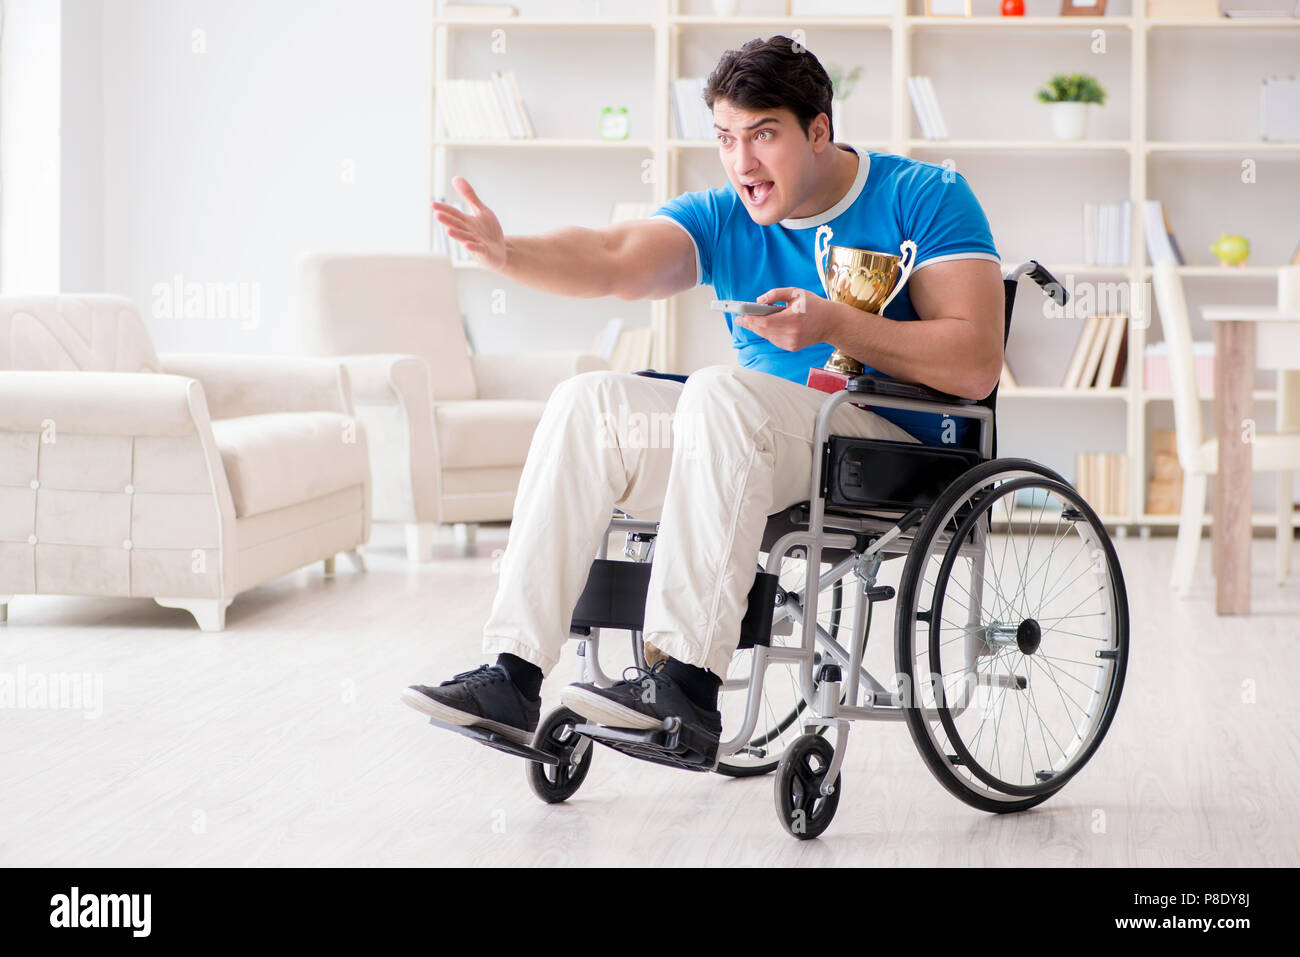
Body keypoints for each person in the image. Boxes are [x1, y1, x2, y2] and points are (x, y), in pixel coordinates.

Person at [401, 35, 1005, 755]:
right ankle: (512, 670)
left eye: (763, 135)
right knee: (588, 401)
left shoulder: (923, 196)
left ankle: (683, 683)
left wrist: (836, 323)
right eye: (726, 138)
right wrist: (510, 254)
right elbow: (613, 256)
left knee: (720, 392)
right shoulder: (723, 216)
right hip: (748, 441)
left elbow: (975, 364)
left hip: (883, 443)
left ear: (818, 131)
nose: (742, 161)